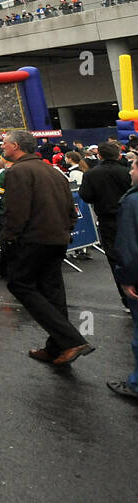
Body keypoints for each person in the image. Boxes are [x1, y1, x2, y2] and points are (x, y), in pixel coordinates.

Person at [0, 129, 93, 365]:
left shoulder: (18, 171)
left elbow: (17, 211)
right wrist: (66, 229)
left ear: (16, 146)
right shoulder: (52, 170)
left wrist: (9, 238)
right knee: (52, 291)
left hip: (34, 239)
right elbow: (70, 206)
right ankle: (57, 347)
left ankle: (71, 340)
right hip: (57, 238)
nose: (2, 148)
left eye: (5, 144)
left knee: (20, 284)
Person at [106, 154, 138, 399]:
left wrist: (126, 278)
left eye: (134, 166)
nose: (130, 172)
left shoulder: (132, 202)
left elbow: (128, 247)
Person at [79, 142, 130, 278]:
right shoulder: (127, 171)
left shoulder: (90, 174)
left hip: (107, 219)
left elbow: (86, 196)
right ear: (119, 155)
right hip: (129, 217)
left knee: (114, 256)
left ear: (99, 155)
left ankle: (124, 290)